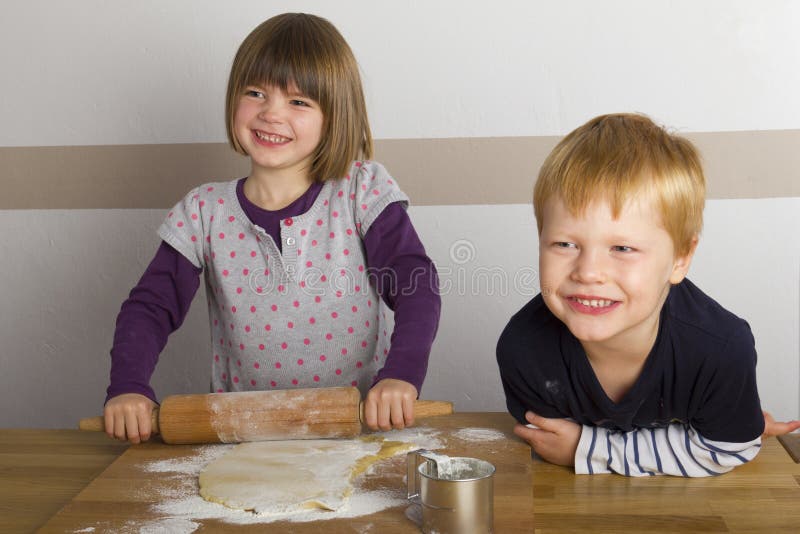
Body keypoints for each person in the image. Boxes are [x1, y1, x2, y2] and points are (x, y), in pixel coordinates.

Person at [104, 13, 440, 444]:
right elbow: (149, 308)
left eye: (299, 102)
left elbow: (417, 284)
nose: (270, 113)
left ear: (335, 115)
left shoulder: (361, 192)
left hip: (353, 433)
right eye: (256, 92)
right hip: (245, 438)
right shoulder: (204, 212)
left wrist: (401, 376)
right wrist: (128, 386)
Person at [496, 113, 799, 476]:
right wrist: (688, 436)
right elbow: (547, 443)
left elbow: (726, 448)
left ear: (680, 259)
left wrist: (589, 450)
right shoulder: (524, 349)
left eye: (622, 248)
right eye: (564, 243)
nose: (589, 272)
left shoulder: (720, 350)